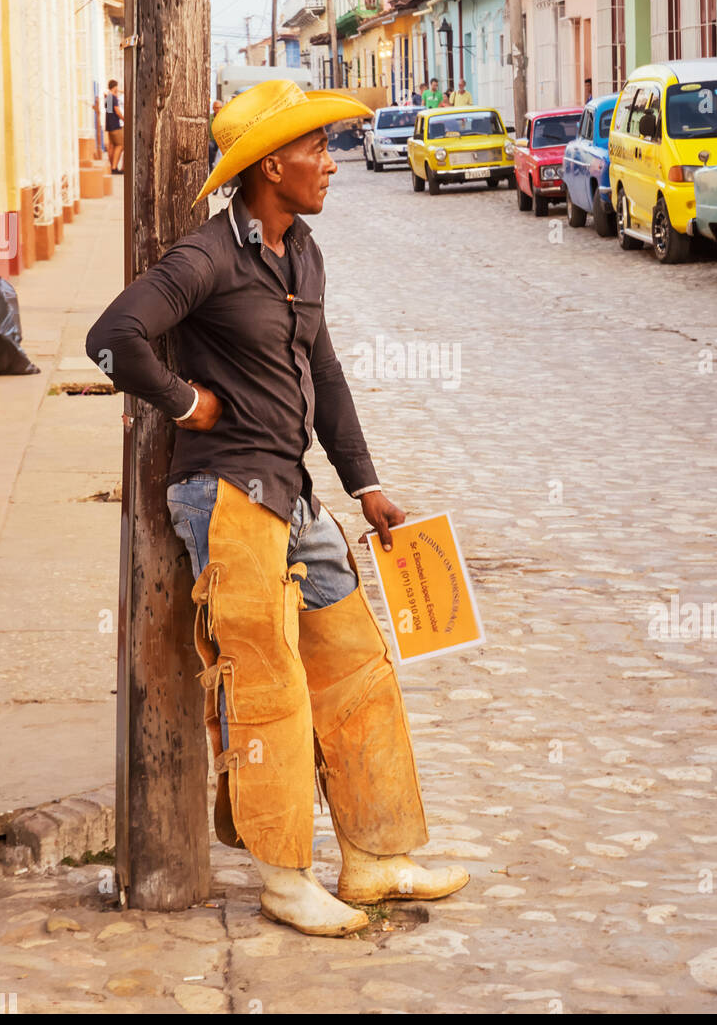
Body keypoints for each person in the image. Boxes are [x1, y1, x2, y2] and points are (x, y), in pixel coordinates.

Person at [86, 80, 468, 938]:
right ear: (268, 166)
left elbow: (323, 373)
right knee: (266, 683)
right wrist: (187, 403)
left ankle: (373, 859)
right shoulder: (206, 258)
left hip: (293, 495)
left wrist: (366, 485)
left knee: (356, 666)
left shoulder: (302, 254)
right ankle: (284, 878)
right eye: (315, 148)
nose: (330, 162)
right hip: (225, 496)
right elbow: (112, 338)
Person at [104, 81, 123, 175]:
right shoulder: (113, 98)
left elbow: (109, 111)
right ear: (115, 87)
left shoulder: (108, 97)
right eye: (117, 87)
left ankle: (112, 167)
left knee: (112, 146)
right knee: (120, 145)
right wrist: (124, 119)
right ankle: (114, 167)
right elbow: (117, 111)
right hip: (115, 125)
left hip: (109, 126)